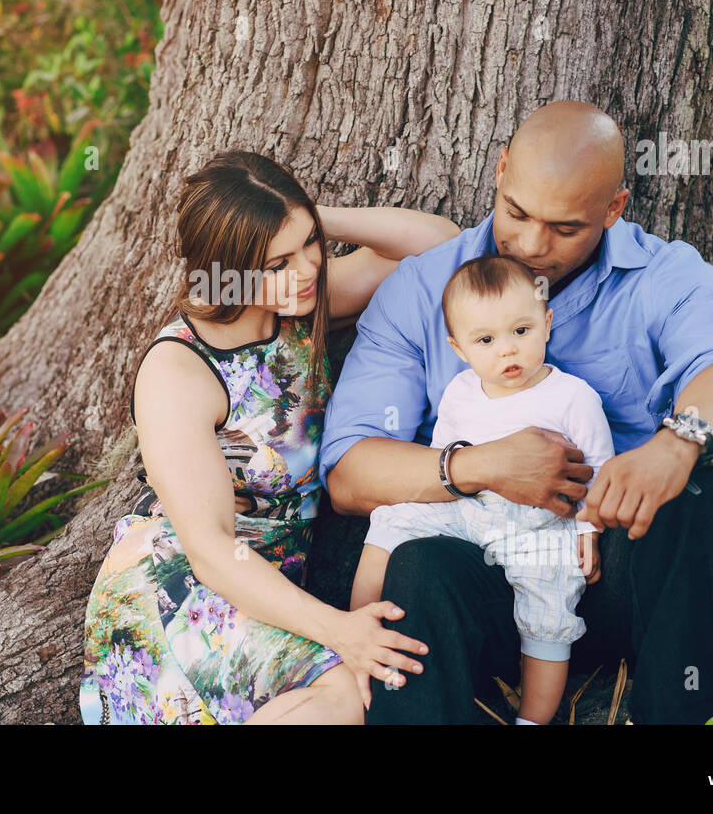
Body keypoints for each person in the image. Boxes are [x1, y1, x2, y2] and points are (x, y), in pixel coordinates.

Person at [321, 100, 713, 724]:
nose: (534, 245)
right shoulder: (422, 289)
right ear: (501, 169)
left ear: (614, 209)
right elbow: (350, 473)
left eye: (565, 228)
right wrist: (482, 467)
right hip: (477, 578)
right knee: (420, 562)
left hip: (606, 575)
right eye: (517, 213)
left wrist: (675, 446)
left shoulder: (663, 276)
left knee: (703, 491)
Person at [78, 150, 462, 723]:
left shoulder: (300, 309)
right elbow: (209, 546)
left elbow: (440, 243)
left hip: (271, 589)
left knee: (351, 696)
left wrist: (299, 217)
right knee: (343, 698)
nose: (307, 268)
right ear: (228, 268)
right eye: (277, 261)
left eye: (311, 244)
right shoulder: (180, 367)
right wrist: (341, 630)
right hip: (178, 589)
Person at [349, 254, 614, 724]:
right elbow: (440, 464)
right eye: (486, 340)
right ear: (459, 348)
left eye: (521, 331)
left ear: (546, 323)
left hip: (540, 523)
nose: (507, 351)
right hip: (469, 508)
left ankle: (533, 718)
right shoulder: (460, 393)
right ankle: (363, 628)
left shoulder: (573, 397)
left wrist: (588, 527)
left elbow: (597, 465)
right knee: (391, 519)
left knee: (549, 604)